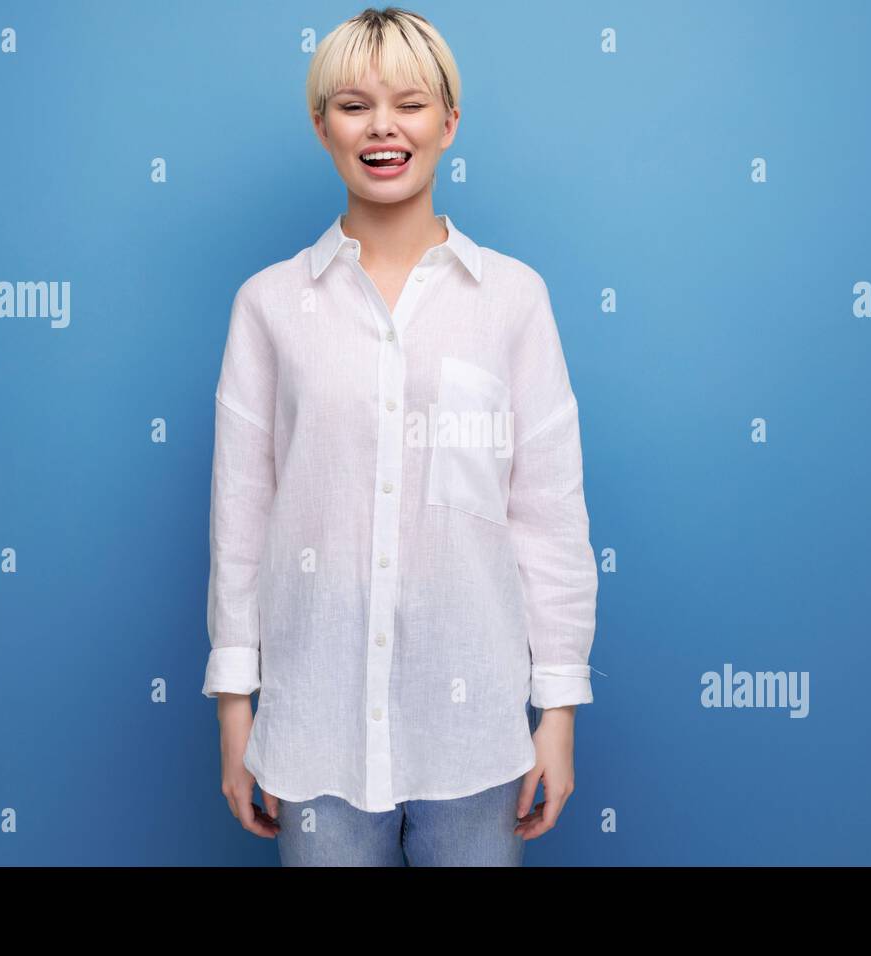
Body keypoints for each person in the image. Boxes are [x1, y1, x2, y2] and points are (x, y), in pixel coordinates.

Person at [203, 6, 599, 866]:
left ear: (449, 122)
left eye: (410, 103)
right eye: (353, 105)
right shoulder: (268, 306)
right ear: (322, 127)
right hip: (313, 735)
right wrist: (239, 710)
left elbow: (548, 513)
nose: (383, 126)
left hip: (477, 739)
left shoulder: (513, 300)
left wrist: (557, 711)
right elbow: (243, 515)